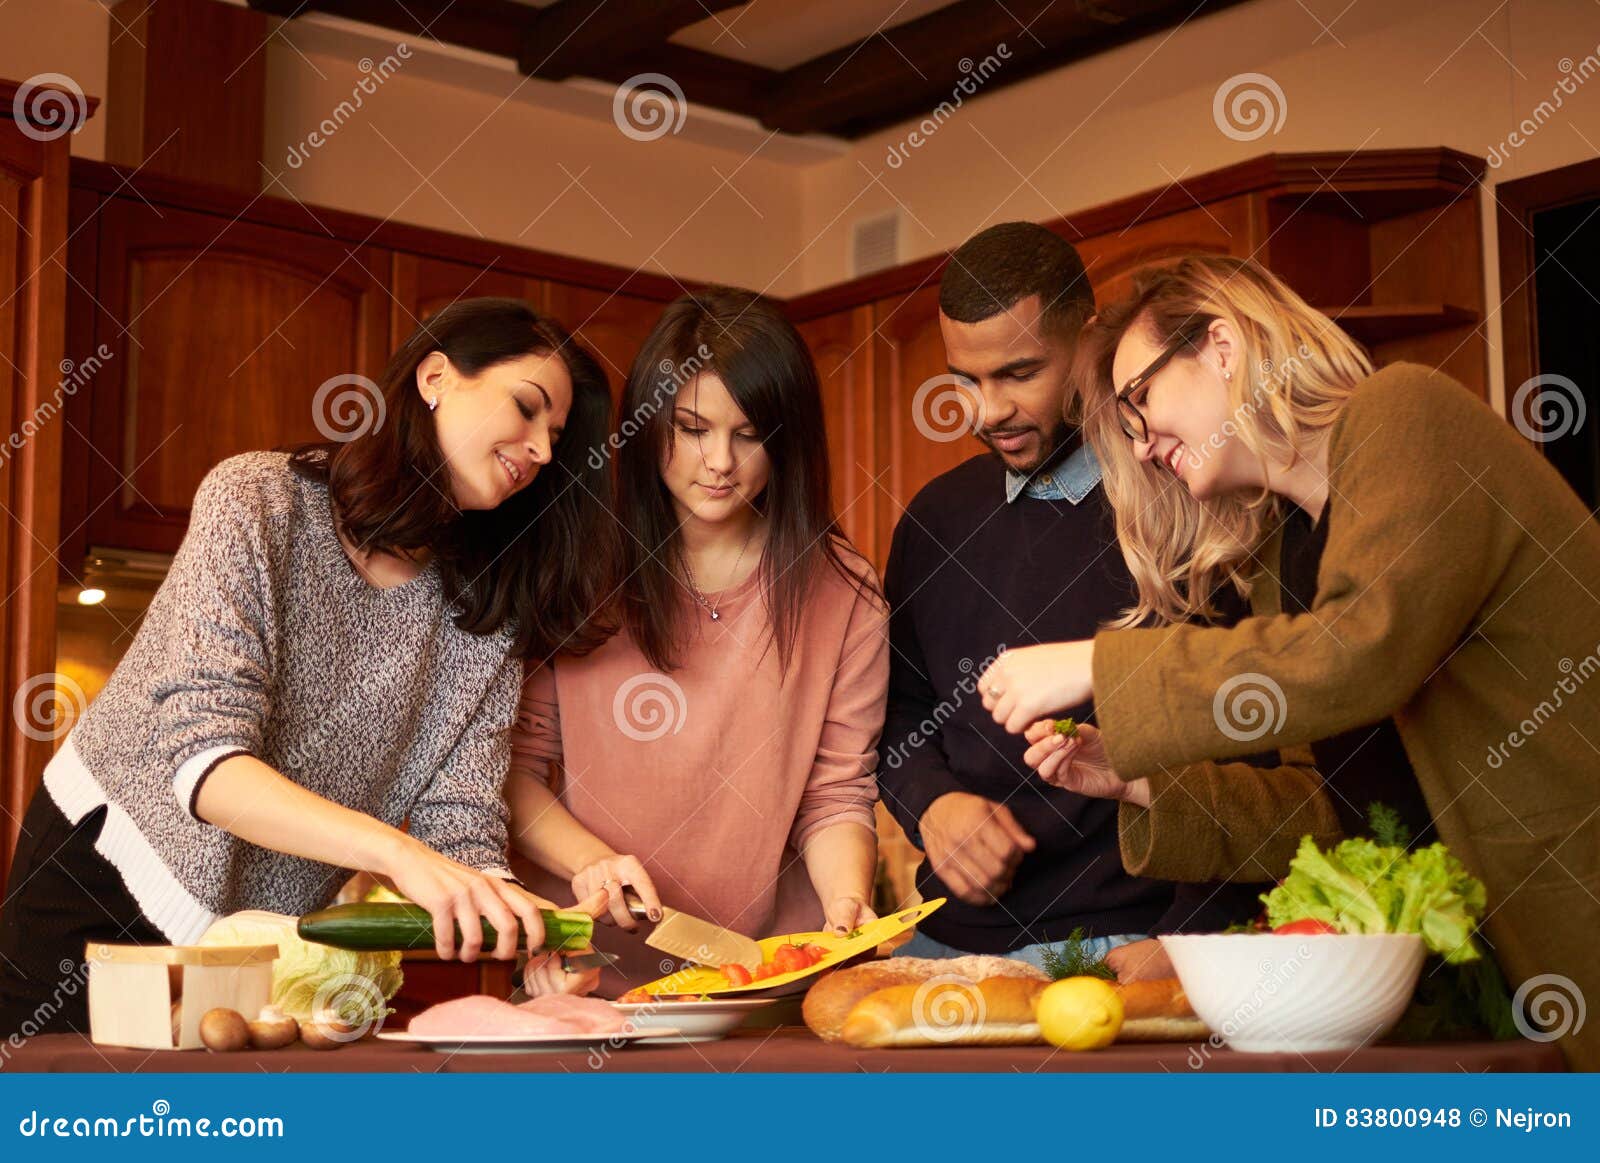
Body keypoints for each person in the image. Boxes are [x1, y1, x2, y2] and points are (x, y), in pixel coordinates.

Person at [980, 254, 1600, 1068]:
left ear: (1224, 348)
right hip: (1462, 982)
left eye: (1140, 400)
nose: (1140, 440)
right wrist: (1139, 782)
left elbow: (1360, 649)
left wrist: (1102, 665)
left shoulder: (1403, 411)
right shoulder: (1285, 555)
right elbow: (1325, 810)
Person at [0, 298, 619, 1035]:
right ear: (435, 377)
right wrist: (397, 851)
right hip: (106, 874)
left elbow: (464, 829)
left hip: (261, 941)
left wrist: (529, 933)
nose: (542, 450)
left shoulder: (485, 613)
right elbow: (206, 762)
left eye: (555, 435)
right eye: (527, 407)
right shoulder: (258, 500)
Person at [878, 223, 1260, 976]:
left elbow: (1256, 740)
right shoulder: (933, 520)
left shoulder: (1188, 494)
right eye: (966, 379)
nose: (987, 411)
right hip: (949, 940)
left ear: (1089, 341)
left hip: (1134, 936)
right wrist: (932, 806)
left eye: (1019, 373)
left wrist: (1187, 940)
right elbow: (899, 713)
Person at [506, 287, 888, 993]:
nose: (719, 461)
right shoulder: (578, 570)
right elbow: (515, 773)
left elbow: (837, 793)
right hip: (586, 973)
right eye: (691, 427)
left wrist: (845, 904)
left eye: (749, 435)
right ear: (652, 426)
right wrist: (593, 859)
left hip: (762, 980)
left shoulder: (844, 593)